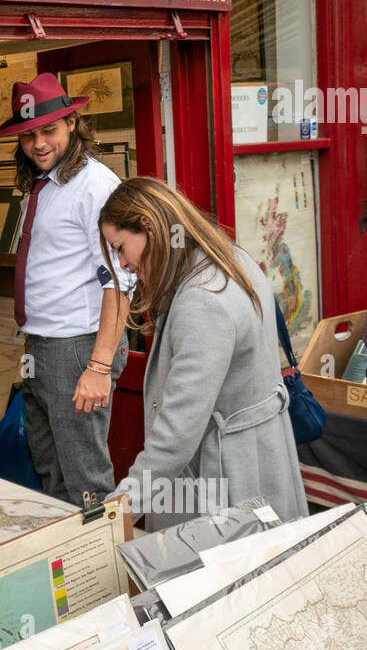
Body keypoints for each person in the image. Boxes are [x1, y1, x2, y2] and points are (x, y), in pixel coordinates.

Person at [97, 176, 309, 530]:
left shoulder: (201, 300)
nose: (122, 263)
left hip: (225, 483)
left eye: (120, 247)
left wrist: (121, 508)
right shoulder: (229, 257)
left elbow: (177, 433)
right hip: (261, 462)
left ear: (148, 226)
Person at [0, 71, 131, 508]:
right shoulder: (46, 183)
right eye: (29, 134)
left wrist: (99, 366)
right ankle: (68, 569)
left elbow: (121, 280)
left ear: (73, 124)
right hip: (45, 345)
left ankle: (101, 571)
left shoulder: (96, 186)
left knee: (84, 480)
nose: (38, 143)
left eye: (49, 130)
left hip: (79, 346)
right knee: (51, 471)